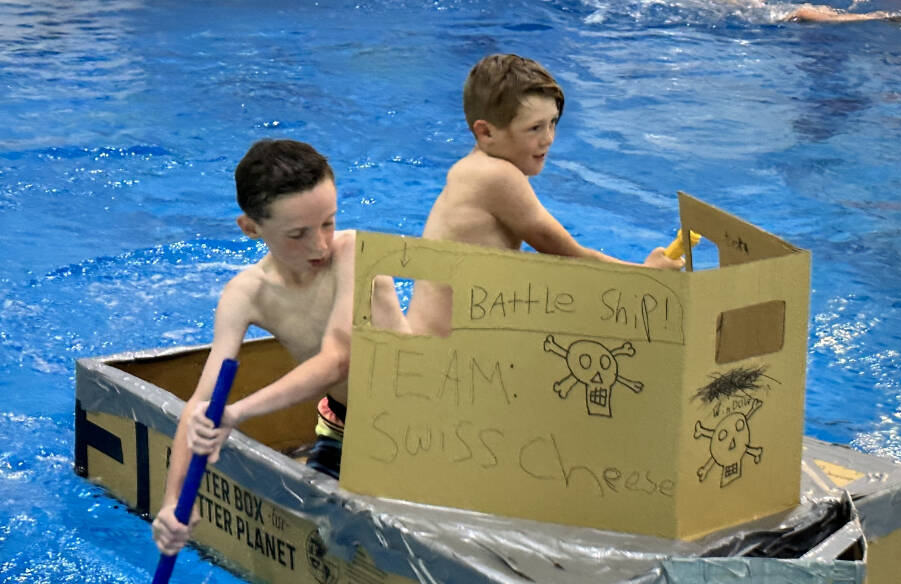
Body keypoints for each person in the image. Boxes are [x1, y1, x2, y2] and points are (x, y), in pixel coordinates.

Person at [151, 138, 406, 555]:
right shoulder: (246, 294)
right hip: (344, 429)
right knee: (331, 551)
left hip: (421, 427)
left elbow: (338, 360)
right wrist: (174, 503)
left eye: (328, 222)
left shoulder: (355, 252)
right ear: (251, 228)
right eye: (298, 234)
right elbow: (203, 401)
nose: (320, 245)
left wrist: (237, 413)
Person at [411, 53, 681, 337]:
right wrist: (648, 275)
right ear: (486, 132)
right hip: (440, 355)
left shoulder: (470, 169)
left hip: (431, 340)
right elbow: (571, 257)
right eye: (535, 128)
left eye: (553, 122)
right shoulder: (496, 177)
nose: (549, 138)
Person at [779, 3, 901, 22]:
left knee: (826, 11)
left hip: (793, 10)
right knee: (833, 18)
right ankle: (876, 17)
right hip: (793, 13)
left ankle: (878, 17)